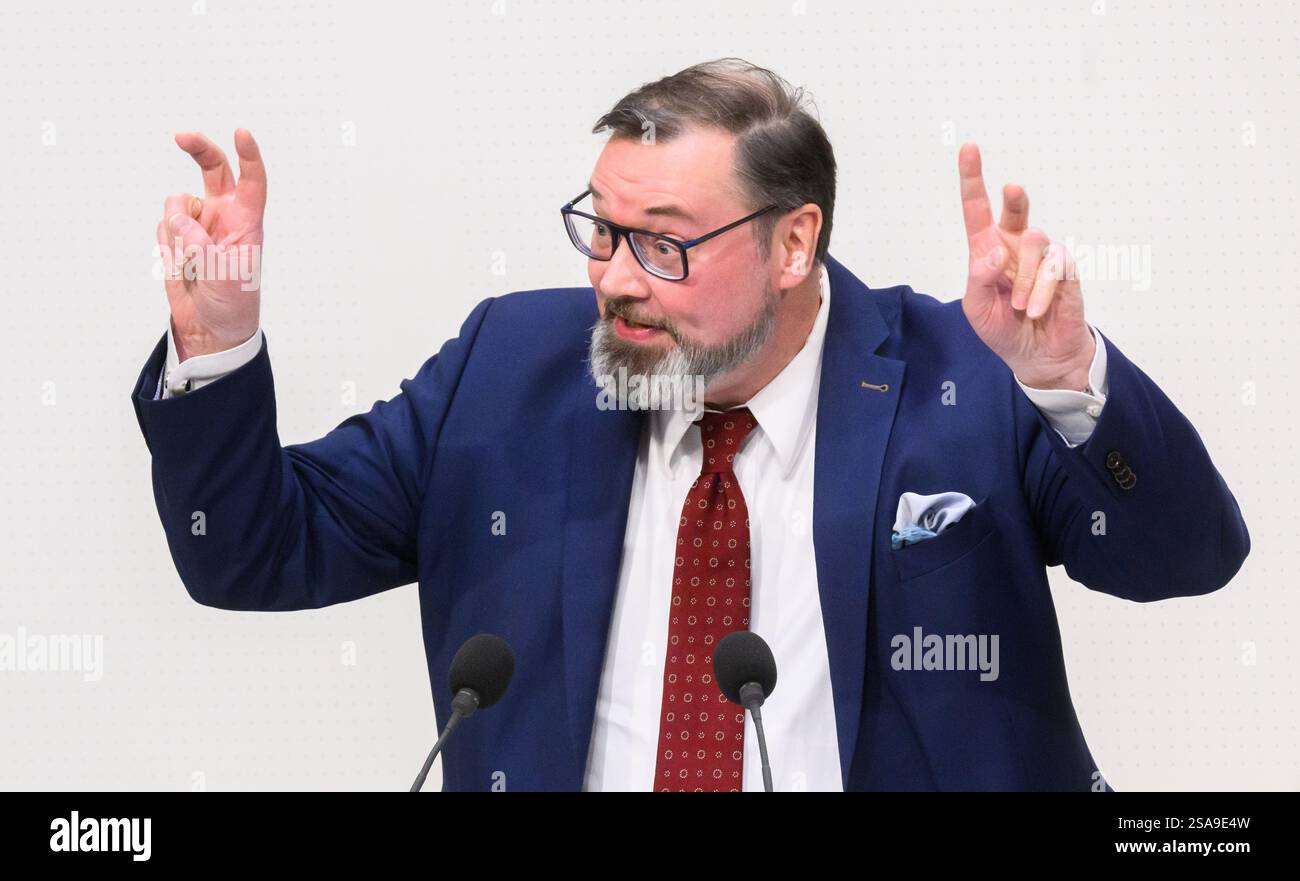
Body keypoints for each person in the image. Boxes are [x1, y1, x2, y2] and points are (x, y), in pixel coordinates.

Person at [132, 58, 1249, 791]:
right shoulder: (508, 369)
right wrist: (219, 342)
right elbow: (249, 551)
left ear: (793, 243)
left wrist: (1064, 378)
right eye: (601, 230)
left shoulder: (962, 370)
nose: (615, 279)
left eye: (663, 241)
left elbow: (1185, 558)